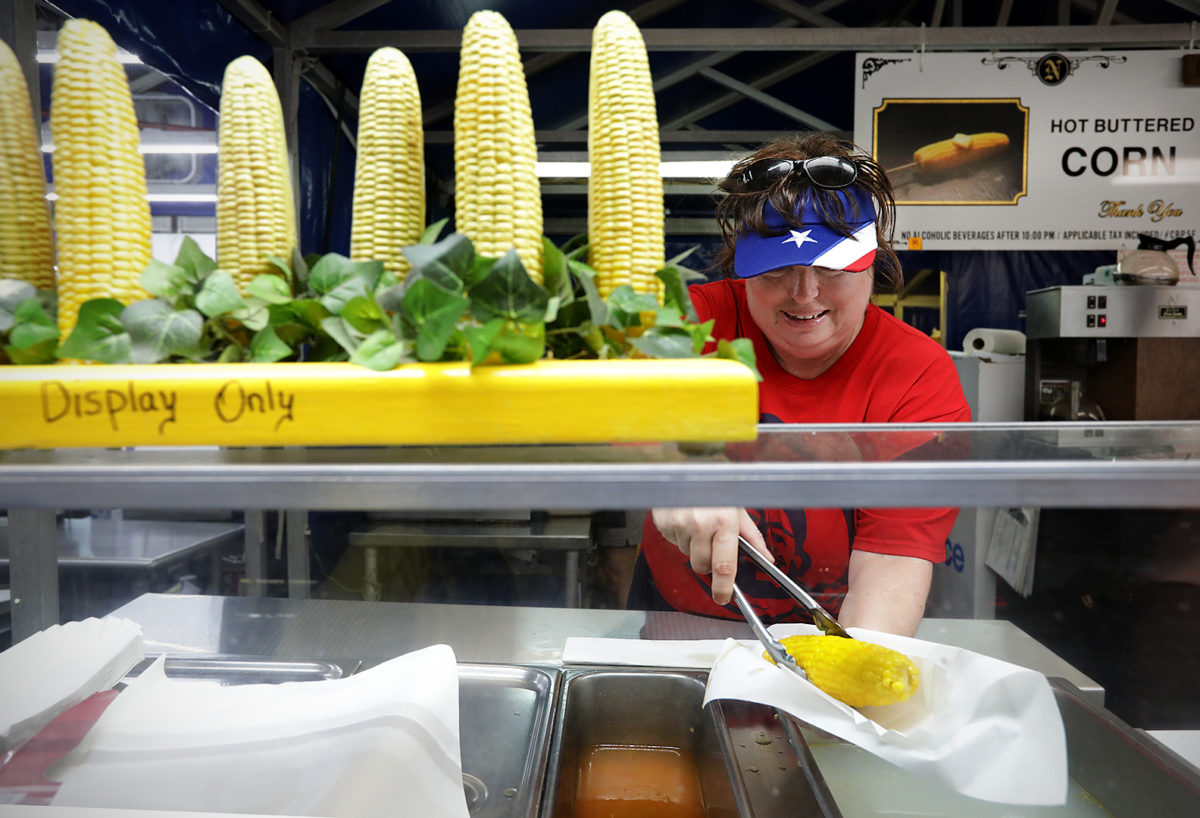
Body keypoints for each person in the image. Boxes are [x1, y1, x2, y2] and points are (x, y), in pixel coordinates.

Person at [626, 132, 971, 637]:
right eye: (776, 271)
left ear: (872, 262)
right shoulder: (693, 323)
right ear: (741, 268)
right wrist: (679, 471)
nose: (805, 295)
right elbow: (615, 408)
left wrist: (851, 671)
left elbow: (891, 564)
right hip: (673, 615)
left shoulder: (917, 375)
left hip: (828, 624)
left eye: (833, 268)